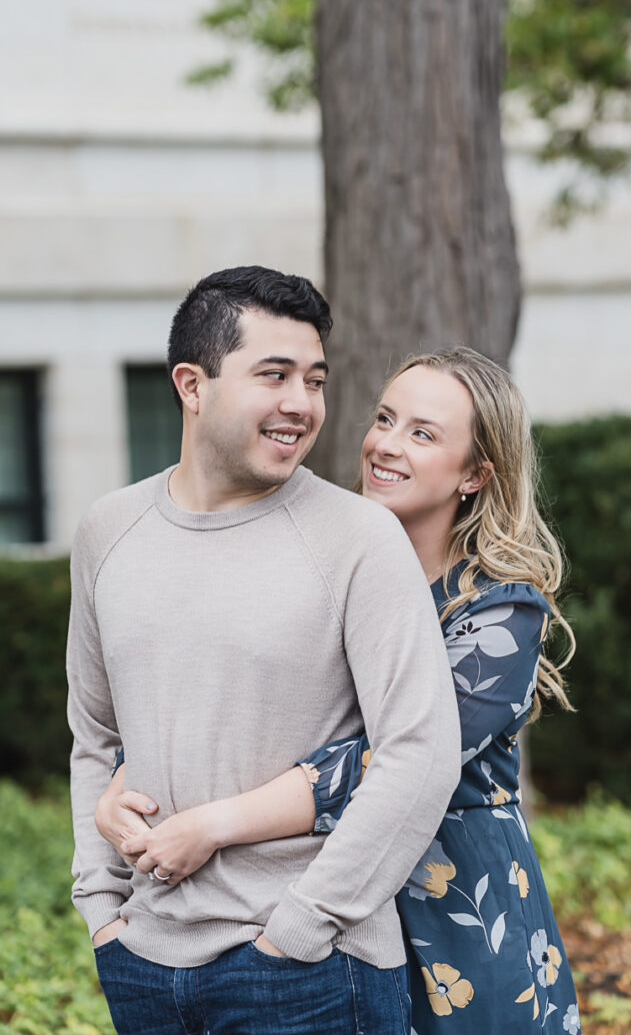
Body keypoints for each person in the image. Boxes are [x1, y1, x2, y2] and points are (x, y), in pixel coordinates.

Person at [97, 346, 581, 1033]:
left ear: (476, 473)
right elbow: (232, 693)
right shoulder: (318, 564)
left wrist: (207, 823)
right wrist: (131, 783)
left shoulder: (500, 611)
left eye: (422, 432)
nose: (385, 443)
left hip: (456, 910)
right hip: (322, 907)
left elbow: (385, 762)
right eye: (386, 418)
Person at [66, 266, 462, 1035]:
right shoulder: (107, 531)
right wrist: (102, 910)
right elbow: (93, 735)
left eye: (313, 379)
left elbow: (422, 750)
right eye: (273, 375)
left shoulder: (357, 537)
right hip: (143, 960)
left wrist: (303, 929)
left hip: (311, 973)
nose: (302, 404)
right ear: (192, 384)